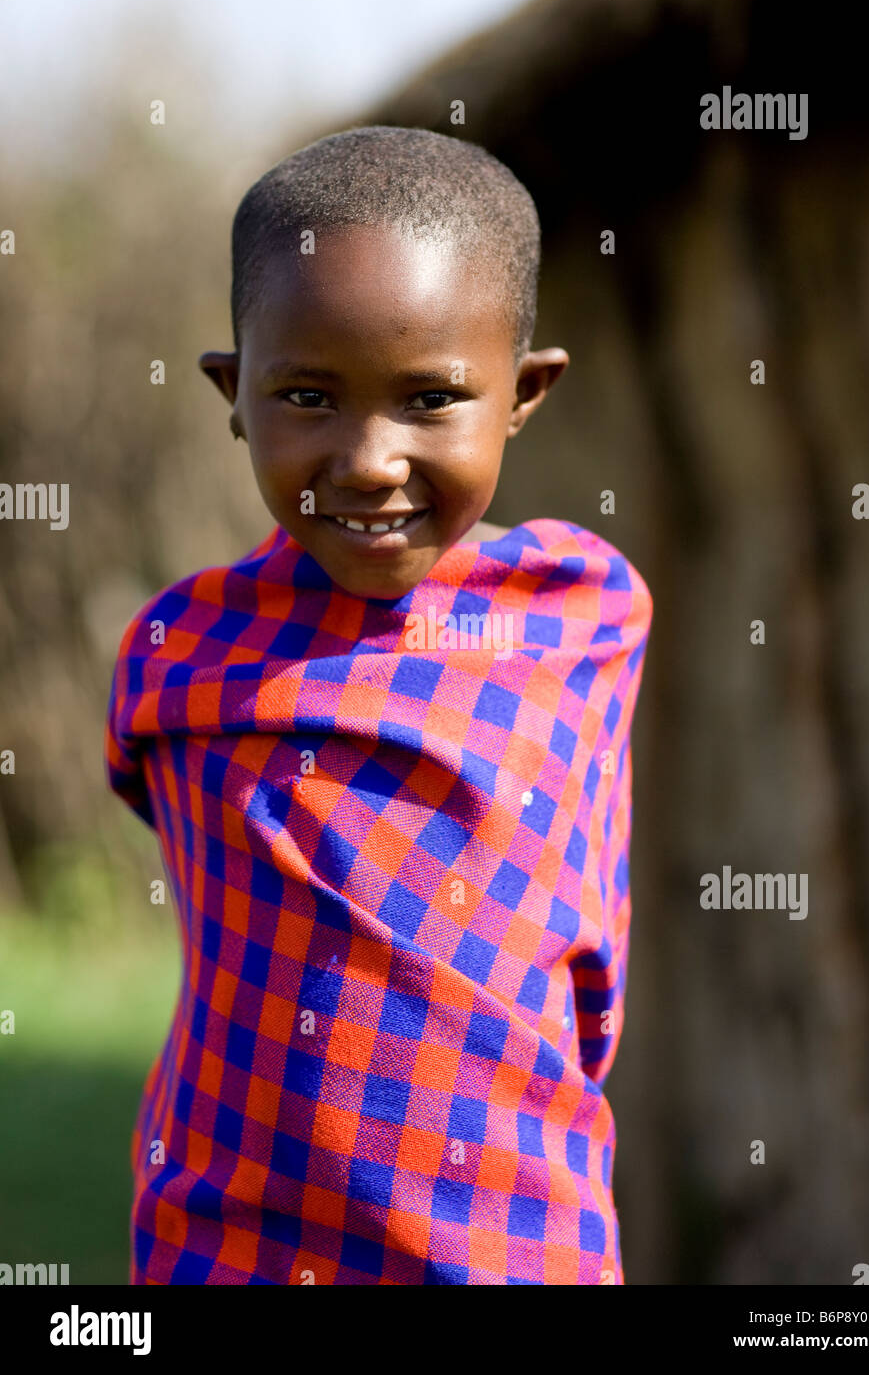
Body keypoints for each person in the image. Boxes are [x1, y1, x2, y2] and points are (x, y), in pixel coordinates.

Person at [104, 125, 652, 1285]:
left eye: (431, 398)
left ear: (524, 395)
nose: (367, 457)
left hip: (510, 1245)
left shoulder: (578, 620)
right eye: (307, 393)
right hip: (233, 1245)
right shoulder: (181, 655)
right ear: (232, 395)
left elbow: (589, 937)